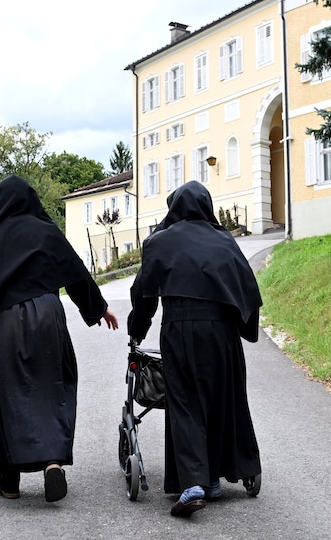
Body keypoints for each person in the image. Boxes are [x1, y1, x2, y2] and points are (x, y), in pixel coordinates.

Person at [0, 175, 119, 503]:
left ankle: (9, 482)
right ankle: (51, 460)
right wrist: (99, 309)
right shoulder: (45, 230)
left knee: (2, 394)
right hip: (46, 315)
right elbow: (76, 273)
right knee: (50, 387)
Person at [128, 180, 263, 518]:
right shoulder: (224, 240)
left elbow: (144, 294)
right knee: (221, 398)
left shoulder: (159, 241)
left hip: (180, 328)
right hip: (222, 331)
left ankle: (194, 484)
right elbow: (247, 286)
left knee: (186, 403)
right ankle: (214, 478)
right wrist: (248, 331)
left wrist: (137, 331)